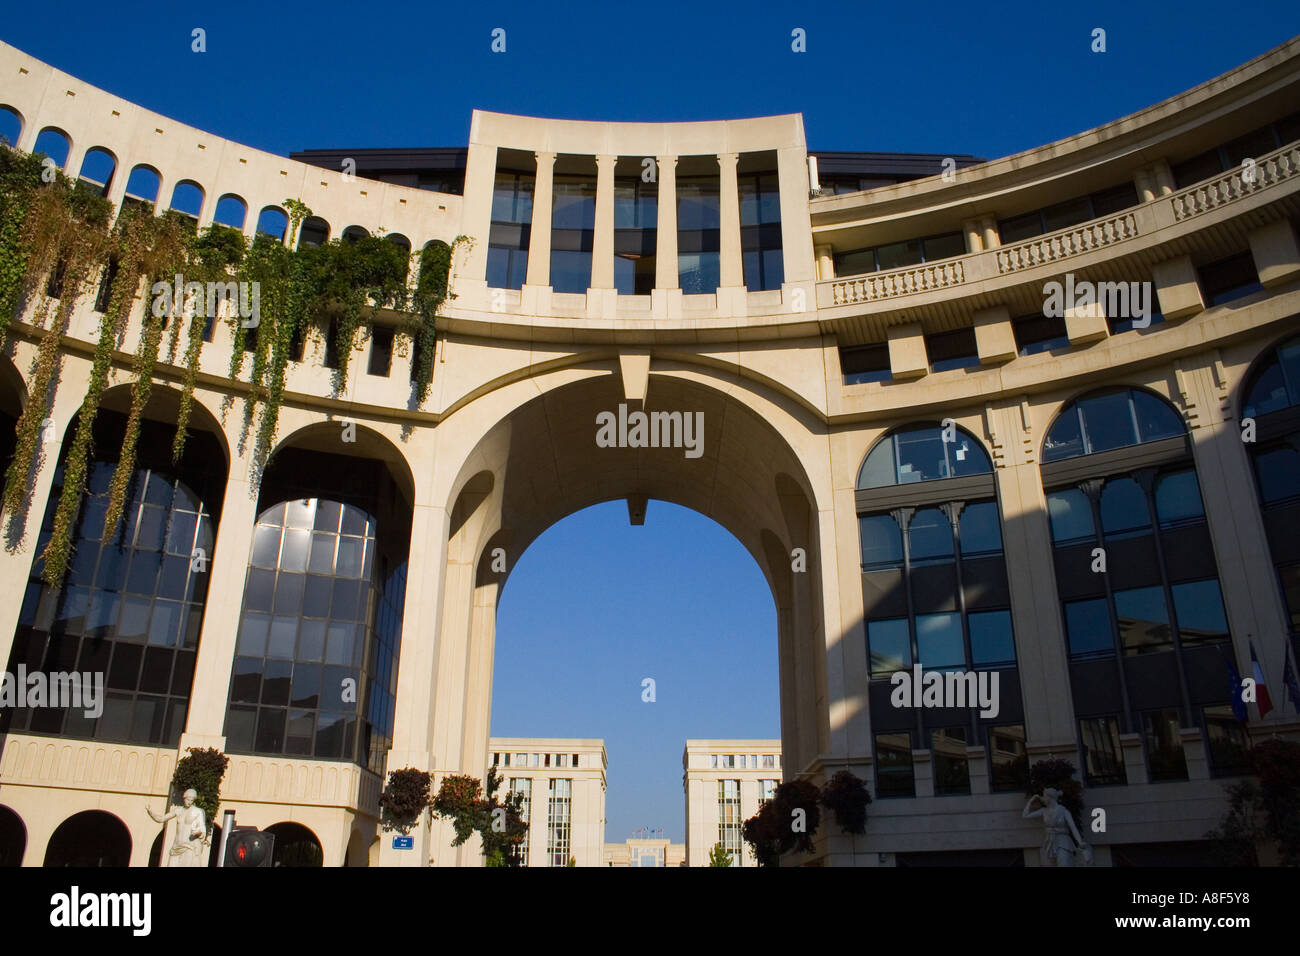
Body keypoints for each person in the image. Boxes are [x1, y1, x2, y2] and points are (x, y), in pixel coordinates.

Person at [1022, 787, 1091, 867]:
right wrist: (1031, 800)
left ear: (1050, 797)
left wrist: (1080, 842)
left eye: (1044, 796)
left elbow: (1073, 828)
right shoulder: (1044, 811)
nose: (1043, 799)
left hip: (1063, 841)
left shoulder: (1063, 811)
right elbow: (1025, 815)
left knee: (1064, 864)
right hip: (1050, 842)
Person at [146, 788, 208, 867]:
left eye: (191, 800)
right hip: (176, 847)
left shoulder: (197, 812)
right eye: (188, 800)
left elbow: (202, 829)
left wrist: (197, 832)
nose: (189, 802)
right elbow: (161, 819)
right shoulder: (178, 810)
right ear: (184, 798)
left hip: (189, 847)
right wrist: (150, 812)